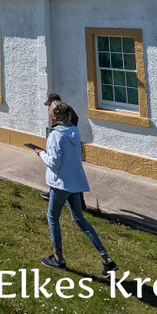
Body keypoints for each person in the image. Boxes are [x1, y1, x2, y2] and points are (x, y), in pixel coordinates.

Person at [33, 100, 117, 275]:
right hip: (75, 182)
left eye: (50, 111)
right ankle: (106, 259)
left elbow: (54, 163)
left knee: (52, 217)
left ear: (55, 115)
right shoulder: (73, 130)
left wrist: (41, 153)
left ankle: (58, 258)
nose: (49, 114)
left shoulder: (56, 135)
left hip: (61, 183)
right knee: (79, 218)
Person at [40, 93, 80, 202]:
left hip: (65, 143)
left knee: (64, 171)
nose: (49, 109)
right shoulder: (65, 110)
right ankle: (54, 193)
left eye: (50, 105)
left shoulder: (66, 112)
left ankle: (78, 202)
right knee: (68, 173)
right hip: (65, 141)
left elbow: (72, 123)